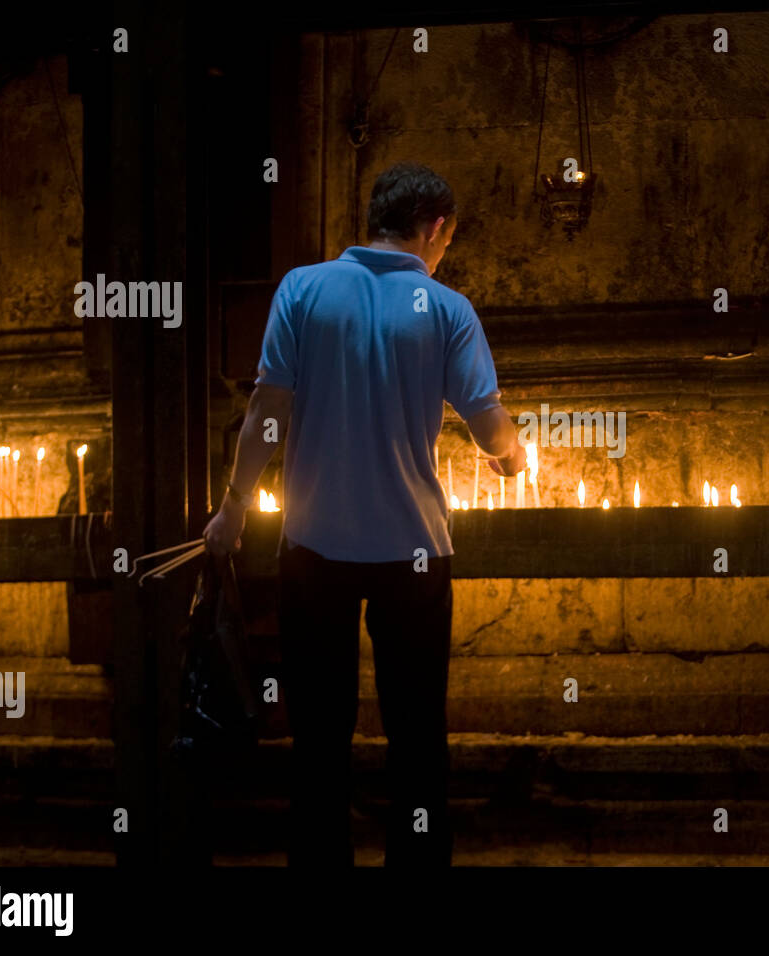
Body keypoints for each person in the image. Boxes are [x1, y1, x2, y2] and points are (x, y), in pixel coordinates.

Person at [203, 161, 527, 867]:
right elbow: (487, 423)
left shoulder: (304, 289)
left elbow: (267, 412)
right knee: (416, 734)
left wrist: (232, 506)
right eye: (447, 239)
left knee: (319, 734)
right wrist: (513, 453)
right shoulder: (446, 309)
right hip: (413, 553)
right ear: (435, 228)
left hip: (314, 550)